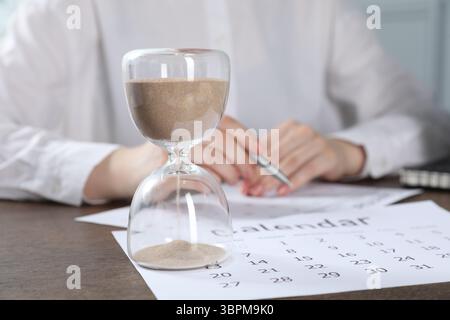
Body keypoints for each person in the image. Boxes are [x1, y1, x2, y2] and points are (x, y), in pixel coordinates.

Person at [0, 0, 449, 206]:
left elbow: (427, 120)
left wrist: (348, 151)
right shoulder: (65, 9)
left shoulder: (315, 9)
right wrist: (125, 167)